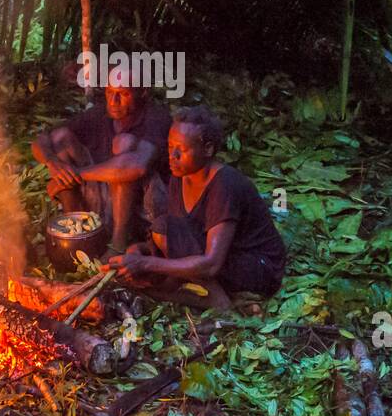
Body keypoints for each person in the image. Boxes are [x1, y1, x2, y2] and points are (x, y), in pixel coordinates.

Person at [107, 106, 285, 310]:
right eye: (170, 146)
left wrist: (146, 263)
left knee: (162, 251)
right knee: (162, 227)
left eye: (181, 150)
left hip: (258, 268)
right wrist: (140, 251)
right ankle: (188, 293)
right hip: (226, 257)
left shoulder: (224, 185)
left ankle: (218, 301)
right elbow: (179, 235)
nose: (172, 156)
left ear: (208, 149)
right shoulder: (180, 175)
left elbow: (211, 263)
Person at [31, 64, 171, 255]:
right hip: (105, 202)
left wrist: (75, 174)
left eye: (124, 94)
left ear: (143, 93)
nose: (114, 100)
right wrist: (53, 164)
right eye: (110, 92)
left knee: (123, 145)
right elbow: (42, 139)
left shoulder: (157, 118)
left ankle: (118, 243)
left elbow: (137, 167)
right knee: (61, 138)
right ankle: (78, 230)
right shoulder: (100, 114)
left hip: (146, 211)